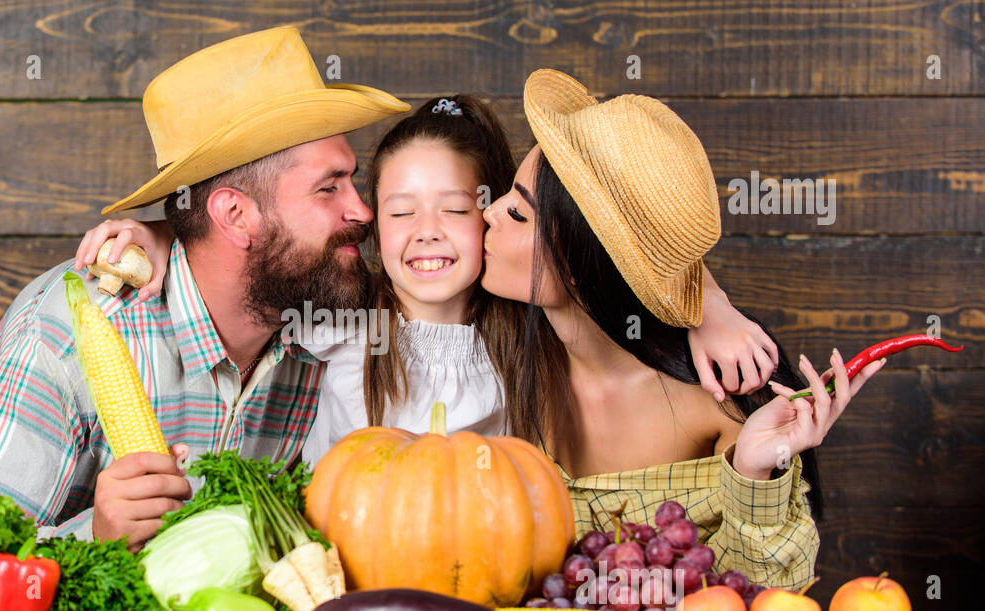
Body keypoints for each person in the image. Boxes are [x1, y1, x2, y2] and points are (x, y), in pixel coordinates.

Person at [0, 26, 412, 550]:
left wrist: (169, 230)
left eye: (352, 181)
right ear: (235, 215)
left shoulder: (328, 319)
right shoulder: (72, 328)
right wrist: (96, 537)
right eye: (329, 188)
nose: (362, 210)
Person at [75, 97, 783, 466]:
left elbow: (614, 231)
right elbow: (249, 256)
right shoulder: (344, 314)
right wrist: (167, 234)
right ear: (369, 225)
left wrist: (706, 304)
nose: (428, 231)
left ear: (499, 216)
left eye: (456, 208)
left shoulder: (525, 328)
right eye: (399, 210)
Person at [479, 70, 885, 589]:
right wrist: (710, 301)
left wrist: (756, 471)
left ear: (582, 262)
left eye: (517, 212)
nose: (487, 213)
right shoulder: (503, 338)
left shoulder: (718, 394)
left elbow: (763, 594)